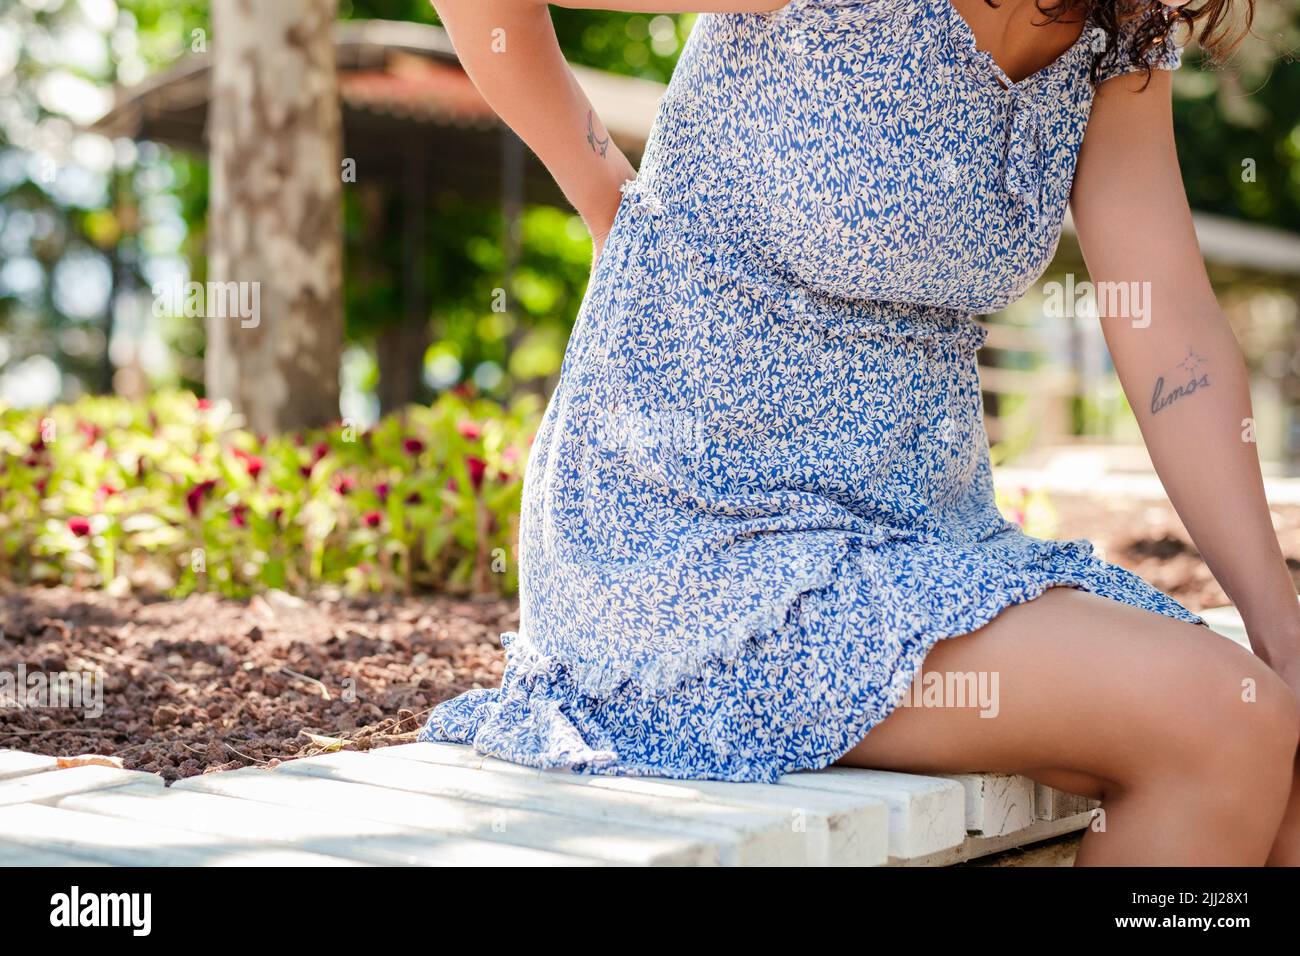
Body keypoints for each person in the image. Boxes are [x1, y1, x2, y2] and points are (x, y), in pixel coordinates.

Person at [421, 0, 1300, 865]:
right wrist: (606, 190)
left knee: (1285, 758)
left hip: (922, 538)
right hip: (697, 546)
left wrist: (1280, 628)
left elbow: (1170, 333)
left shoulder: (1116, 26)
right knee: (1229, 725)